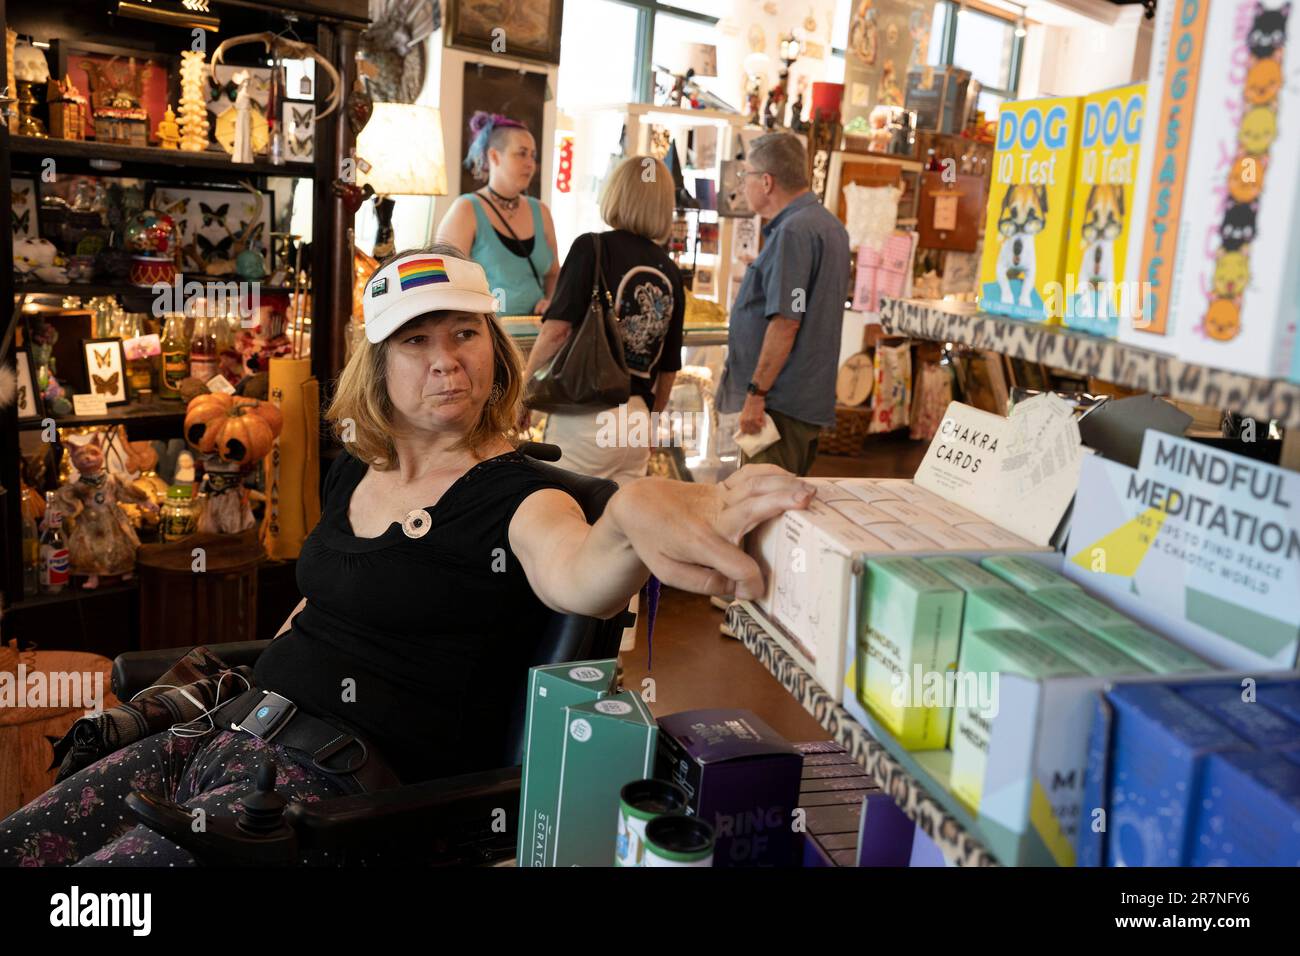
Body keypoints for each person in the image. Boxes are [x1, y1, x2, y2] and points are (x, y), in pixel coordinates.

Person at [0, 243, 814, 867]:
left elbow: (581, 576)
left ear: (494, 347)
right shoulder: (362, 462)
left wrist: (632, 513)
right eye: (415, 341)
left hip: (317, 799)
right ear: (378, 366)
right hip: (225, 734)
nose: (444, 360)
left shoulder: (520, 494)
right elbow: (326, 603)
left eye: (465, 333)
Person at [522, 155, 685, 486]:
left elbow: (556, 332)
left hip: (587, 415)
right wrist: (652, 423)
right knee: (617, 531)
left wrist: (524, 396)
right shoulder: (671, 272)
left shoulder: (592, 248)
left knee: (563, 520)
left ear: (617, 193)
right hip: (637, 421)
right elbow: (669, 368)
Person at [718, 132, 851, 477]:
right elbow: (801, 298)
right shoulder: (829, 226)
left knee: (760, 513)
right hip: (803, 401)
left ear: (766, 181)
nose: (742, 184)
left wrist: (755, 393)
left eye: (746, 175)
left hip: (779, 407)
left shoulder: (793, 232)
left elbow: (787, 319)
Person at [436, 112, 559, 316]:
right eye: (521, 153)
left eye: (532, 155)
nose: (531, 163)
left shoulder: (542, 212)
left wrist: (550, 302)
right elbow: (444, 281)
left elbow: (554, 274)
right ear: (494, 156)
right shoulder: (466, 210)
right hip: (489, 339)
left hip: (539, 337)